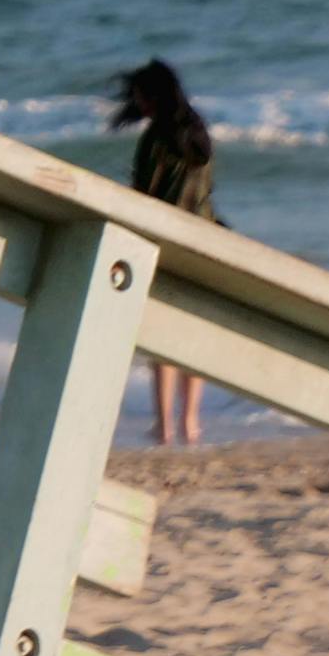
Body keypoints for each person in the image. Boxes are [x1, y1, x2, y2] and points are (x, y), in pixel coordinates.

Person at [115, 58, 222, 444]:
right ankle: (191, 422)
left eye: (141, 95)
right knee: (193, 331)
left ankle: (164, 425)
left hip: (165, 242)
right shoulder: (198, 132)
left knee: (160, 334)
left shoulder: (155, 138)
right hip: (205, 241)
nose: (138, 103)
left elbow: (146, 195)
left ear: (154, 95)